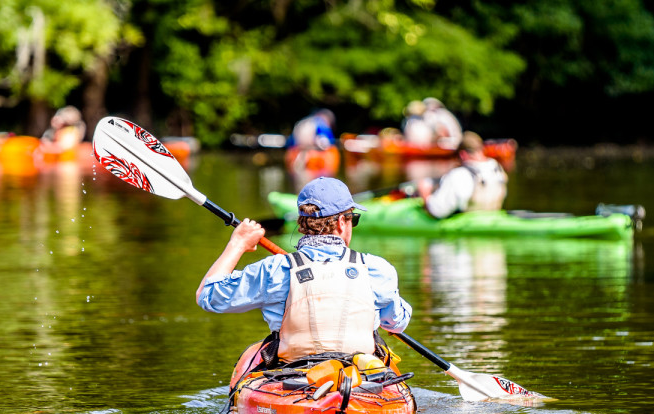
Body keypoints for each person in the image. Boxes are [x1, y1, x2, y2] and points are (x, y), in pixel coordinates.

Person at [196, 177, 412, 366]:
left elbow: (208, 296)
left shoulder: (275, 269)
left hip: (293, 379)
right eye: (352, 219)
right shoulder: (377, 269)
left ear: (303, 223)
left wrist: (238, 244)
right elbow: (396, 322)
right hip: (361, 380)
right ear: (340, 223)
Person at [417, 131, 508, 218]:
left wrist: (425, 194)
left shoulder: (460, 175)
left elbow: (437, 211)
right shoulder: (497, 168)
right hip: (493, 218)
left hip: (469, 227)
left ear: (462, 155)